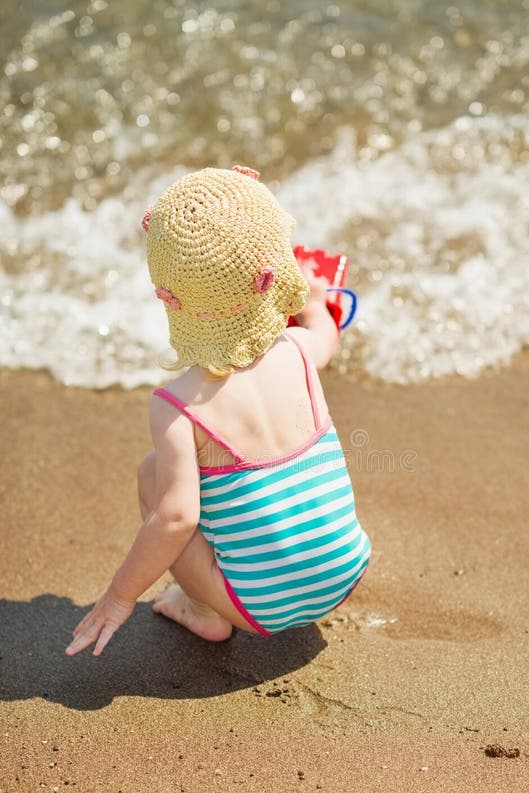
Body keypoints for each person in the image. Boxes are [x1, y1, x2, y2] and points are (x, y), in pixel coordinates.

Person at [65, 165, 371, 657]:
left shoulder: (178, 407)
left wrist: (119, 597)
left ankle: (205, 610)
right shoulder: (298, 349)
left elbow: (176, 517)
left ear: (169, 292)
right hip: (345, 570)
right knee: (211, 474)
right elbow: (326, 335)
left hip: (260, 610)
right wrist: (315, 301)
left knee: (154, 478)